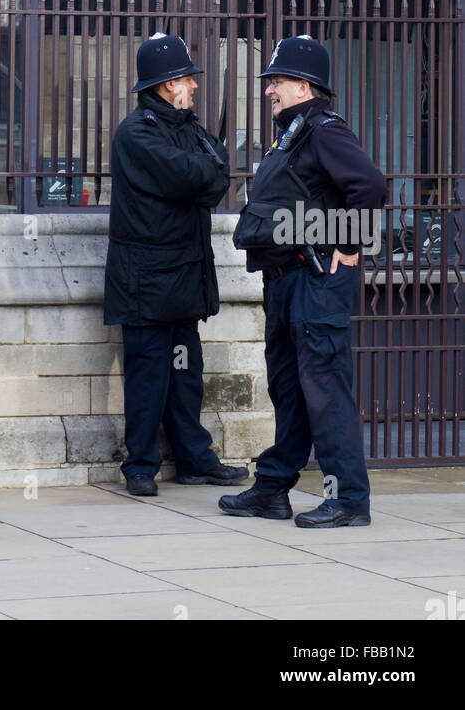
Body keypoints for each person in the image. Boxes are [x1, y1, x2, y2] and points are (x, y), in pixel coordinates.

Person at [220, 35, 386, 529]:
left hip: (318, 280)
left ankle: (349, 500)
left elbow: (371, 185)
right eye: (270, 80)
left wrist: (351, 243)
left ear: (304, 85)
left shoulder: (323, 130)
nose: (270, 89)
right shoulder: (290, 133)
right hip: (286, 279)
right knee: (289, 387)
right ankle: (273, 489)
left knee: (324, 385)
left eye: (278, 81)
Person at [104, 32, 250, 497]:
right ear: (168, 84)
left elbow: (218, 170)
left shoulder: (187, 126)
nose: (195, 85)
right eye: (189, 78)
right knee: (148, 378)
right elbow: (190, 175)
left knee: (185, 375)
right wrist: (202, 175)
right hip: (147, 281)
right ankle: (141, 465)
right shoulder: (137, 132)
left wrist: (203, 175)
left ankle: (194, 459)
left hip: (184, 276)